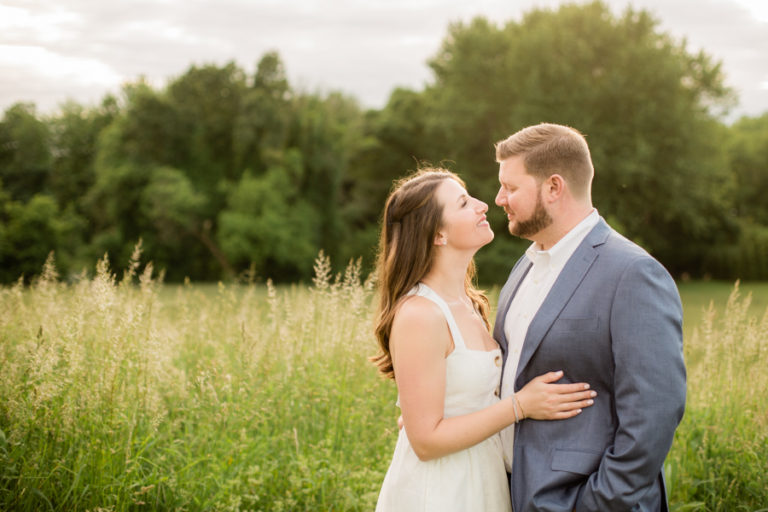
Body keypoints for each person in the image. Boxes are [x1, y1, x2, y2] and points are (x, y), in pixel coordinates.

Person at [372, 168, 597, 512]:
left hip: (484, 478)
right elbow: (426, 442)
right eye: (463, 203)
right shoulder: (421, 313)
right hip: (441, 490)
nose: (482, 205)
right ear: (437, 235)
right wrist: (520, 406)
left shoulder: (469, 302)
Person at [492, 123, 686, 511]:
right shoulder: (525, 266)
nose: (499, 198)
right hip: (511, 495)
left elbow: (654, 415)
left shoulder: (632, 273)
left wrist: (595, 503)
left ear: (553, 187)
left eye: (511, 187)